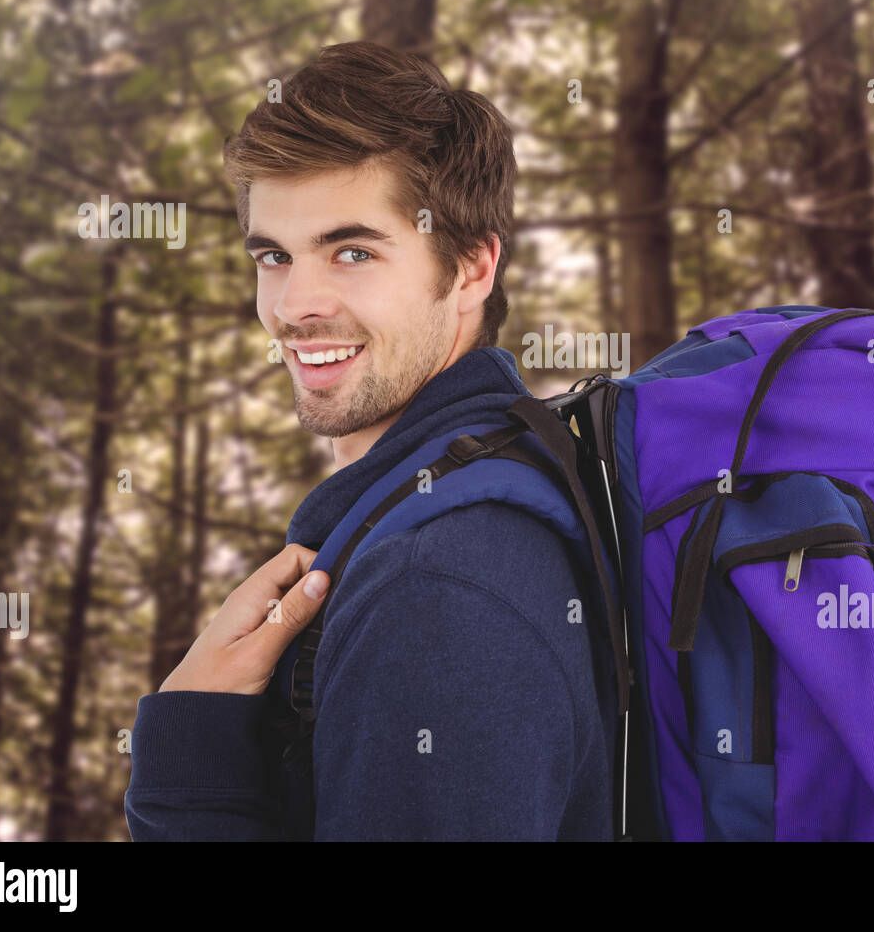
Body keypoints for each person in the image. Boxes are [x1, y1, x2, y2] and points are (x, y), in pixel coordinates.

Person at [123, 41, 619, 841]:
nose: (295, 304)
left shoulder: (439, 586)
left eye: (352, 251)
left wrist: (189, 765)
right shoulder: (472, 496)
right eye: (274, 255)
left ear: (470, 267)